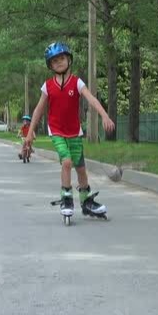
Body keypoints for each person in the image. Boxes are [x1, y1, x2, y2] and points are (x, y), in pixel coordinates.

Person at [24, 42, 115, 218]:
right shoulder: (48, 86)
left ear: (68, 60)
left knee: (80, 167)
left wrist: (104, 115)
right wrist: (29, 133)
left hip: (74, 131)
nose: (59, 62)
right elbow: (38, 110)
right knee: (66, 162)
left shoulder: (77, 82)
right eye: (55, 60)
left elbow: (92, 99)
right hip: (56, 130)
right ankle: (66, 197)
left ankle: (86, 201)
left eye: (62, 58)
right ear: (50, 65)